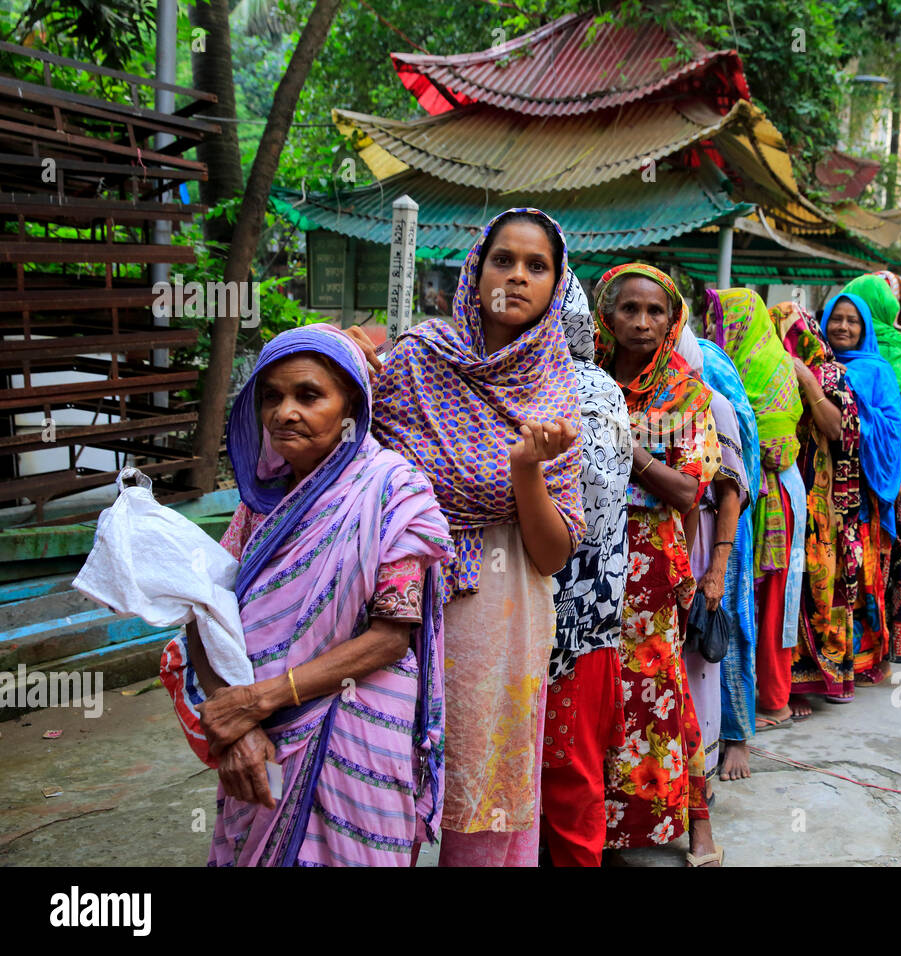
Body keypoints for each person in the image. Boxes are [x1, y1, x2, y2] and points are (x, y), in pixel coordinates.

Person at [168, 323, 453, 866]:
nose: (284, 413)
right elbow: (206, 611)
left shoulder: (391, 490)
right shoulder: (259, 504)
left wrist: (260, 700)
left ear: (351, 406)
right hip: (261, 735)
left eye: (309, 395)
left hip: (357, 721)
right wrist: (237, 727)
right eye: (271, 397)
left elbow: (391, 637)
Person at [365, 207, 585, 867]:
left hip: (500, 607)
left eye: (536, 266)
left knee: (484, 779)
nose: (517, 276)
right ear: (475, 270)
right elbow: (362, 479)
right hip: (398, 595)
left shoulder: (556, 391)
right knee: (385, 767)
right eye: (504, 260)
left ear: (555, 284)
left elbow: (551, 554)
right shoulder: (416, 360)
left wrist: (526, 474)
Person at [594, 263, 721, 865]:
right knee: (590, 690)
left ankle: (697, 823)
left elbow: (692, 491)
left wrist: (632, 451)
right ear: (607, 314)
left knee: (660, 693)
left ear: (673, 320)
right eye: (629, 310)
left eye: (656, 312)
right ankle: (595, 826)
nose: (642, 323)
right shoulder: (583, 378)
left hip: (648, 566)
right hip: (583, 556)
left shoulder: (683, 391)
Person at [541, 269, 632, 867]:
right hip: (505, 610)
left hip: (571, 612)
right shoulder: (474, 380)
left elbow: (594, 507)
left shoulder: (591, 391)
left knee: (566, 769)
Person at [788, 290, 901, 703]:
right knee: (823, 578)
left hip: (859, 491)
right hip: (816, 488)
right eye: (836, 318)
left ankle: (860, 661)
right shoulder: (814, 363)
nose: (843, 327)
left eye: (853, 320)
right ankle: (821, 667)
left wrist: (855, 416)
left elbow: (890, 428)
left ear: (865, 328)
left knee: (855, 575)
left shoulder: (876, 370)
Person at [711, 288, 806, 733]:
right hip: (763, 489)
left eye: (722, 319)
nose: (716, 329)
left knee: (768, 598)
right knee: (760, 596)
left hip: (771, 493)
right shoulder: (725, 364)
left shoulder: (762, 366)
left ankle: (772, 698)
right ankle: (764, 696)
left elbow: (773, 439)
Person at [843, 274, 901, 677]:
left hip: (885, 476)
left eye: (855, 313)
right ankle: (873, 647)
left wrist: (884, 471)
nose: (845, 324)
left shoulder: (889, 353)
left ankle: (880, 648)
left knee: (882, 558)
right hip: (887, 475)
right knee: (877, 560)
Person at [675, 325, 748, 811]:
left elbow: (729, 495)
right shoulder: (620, 398)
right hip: (645, 548)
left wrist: (716, 570)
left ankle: (695, 787)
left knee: (696, 662)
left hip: (698, 543)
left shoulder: (711, 404)